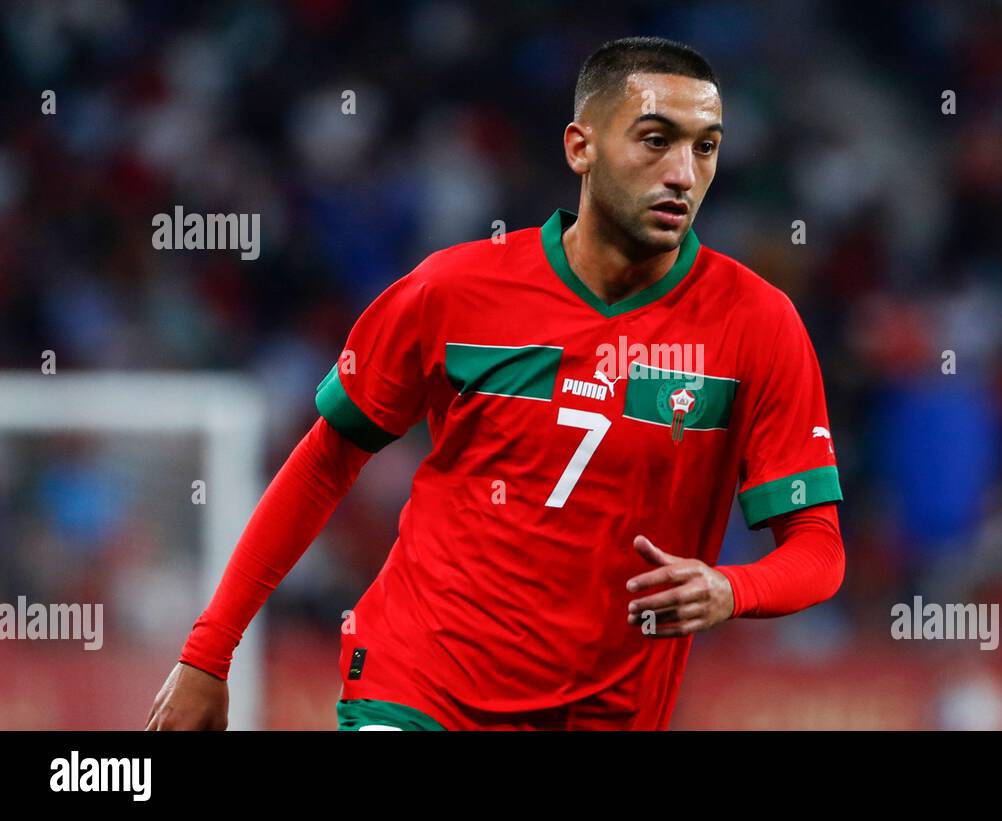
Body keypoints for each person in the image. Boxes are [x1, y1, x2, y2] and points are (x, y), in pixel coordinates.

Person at [147, 36, 844, 731]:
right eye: (656, 140)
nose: (683, 173)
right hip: (421, 681)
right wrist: (209, 652)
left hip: (605, 710)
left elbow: (818, 546)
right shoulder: (455, 289)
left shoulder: (757, 324)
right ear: (581, 147)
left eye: (705, 146)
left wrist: (732, 587)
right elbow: (327, 458)